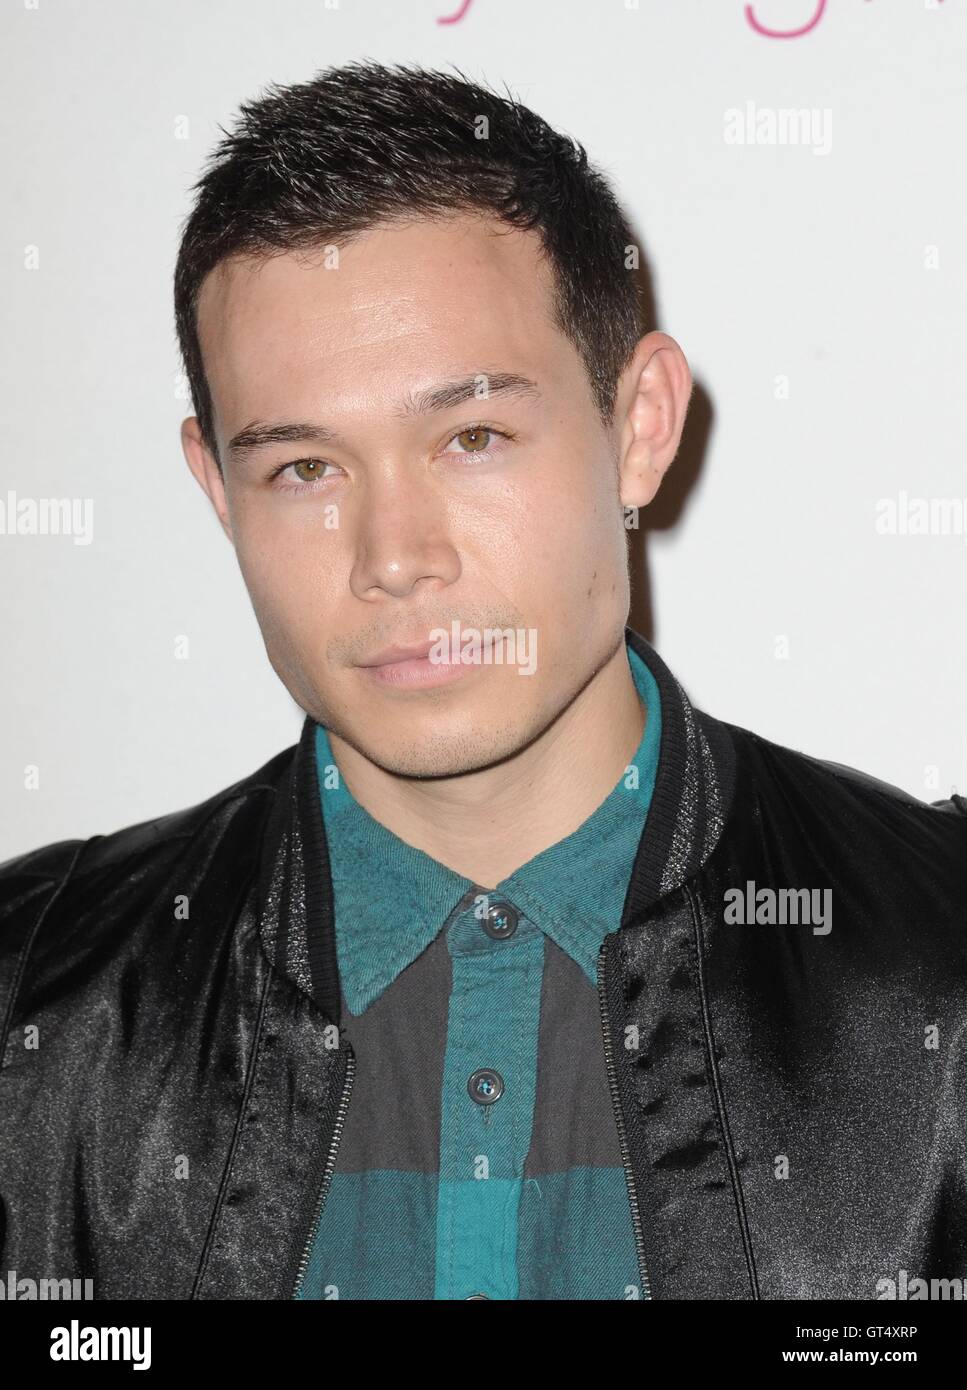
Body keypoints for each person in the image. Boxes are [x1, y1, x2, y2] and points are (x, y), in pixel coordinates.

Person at [1, 60, 965, 1302]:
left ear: (639, 426)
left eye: (472, 438)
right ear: (217, 489)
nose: (394, 558)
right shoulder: (34, 1005)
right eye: (303, 469)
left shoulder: (940, 969)